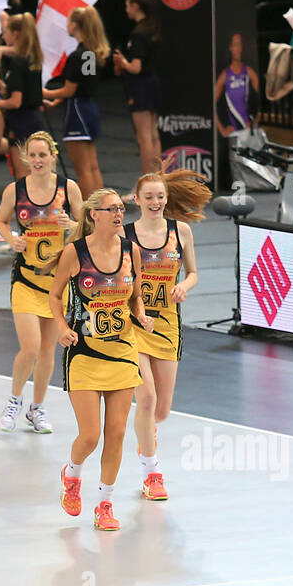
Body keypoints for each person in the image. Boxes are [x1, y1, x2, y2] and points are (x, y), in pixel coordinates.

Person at [49, 188, 154, 531]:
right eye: (111, 209)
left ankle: (105, 504)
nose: (118, 214)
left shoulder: (131, 251)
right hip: (85, 352)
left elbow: (136, 296)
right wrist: (62, 327)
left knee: (117, 433)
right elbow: (54, 296)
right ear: (94, 214)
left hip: (123, 351)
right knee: (91, 435)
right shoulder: (74, 252)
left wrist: (141, 314)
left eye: (121, 208)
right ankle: (72, 473)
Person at [125, 168, 208, 501]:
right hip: (133, 325)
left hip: (167, 325)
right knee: (145, 398)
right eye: (149, 197)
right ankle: (152, 472)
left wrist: (183, 287)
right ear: (137, 200)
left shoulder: (181, 232)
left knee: (161, 410)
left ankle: (148, 432)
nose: (156, 202)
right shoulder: (125, 236)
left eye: (160, 197)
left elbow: (193, 273)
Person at [0, 131, 83, 434]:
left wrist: (70, 225)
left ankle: (37, 408)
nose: (36, 160)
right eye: (32, 155)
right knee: (30, 348)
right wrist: (11, 239)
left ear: (53, 156)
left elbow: (86, 229)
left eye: (42, 155)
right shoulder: (16, 190)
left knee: (48, 351)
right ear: (25, 158)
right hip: (26, 280)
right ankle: (14, 401)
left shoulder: (68, 188)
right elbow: (1, 222)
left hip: (57, 285)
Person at [43, 5, 109, 198]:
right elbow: (79, 88)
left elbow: (69, 89)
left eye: (69, 21)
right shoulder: (91, 52)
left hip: (77, 111)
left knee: (83, 170)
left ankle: (90, 212)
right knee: (92, 166)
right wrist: (57, 101)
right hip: (88, 107)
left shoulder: (77, 56)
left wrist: (44, 93)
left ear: (75, 25)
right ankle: (102, 207)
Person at [112, 0, 162, 175]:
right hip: (152, 84)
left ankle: (148, 182)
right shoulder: (152, 28)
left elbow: (136, 67)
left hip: (141, 87)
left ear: (135, 6)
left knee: (144, 137)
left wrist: (122, 62)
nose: (126, 10)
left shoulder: (138, 33)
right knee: (153, 134)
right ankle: (158, 178)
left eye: (127, 6)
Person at [0, 13, 45, 176]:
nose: (3, 36)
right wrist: (6, 89)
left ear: (15, 34)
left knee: (23, 175)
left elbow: (15, 102)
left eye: (5, 32)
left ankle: (24, 202)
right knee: (36, 174)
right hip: (34, 119)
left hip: (22, 122)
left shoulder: (17, 62)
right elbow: (26, 88)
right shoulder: (33, 57)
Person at [214, 32, 260, 138]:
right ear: (230, 47)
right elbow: (211, 104)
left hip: (247, 131)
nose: (238, 48)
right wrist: (222, 129)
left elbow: (259, 103)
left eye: (240, 44)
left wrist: (254, 124)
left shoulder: (249, 72)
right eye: (235, 44)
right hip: (233, 132)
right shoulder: (225, 75)